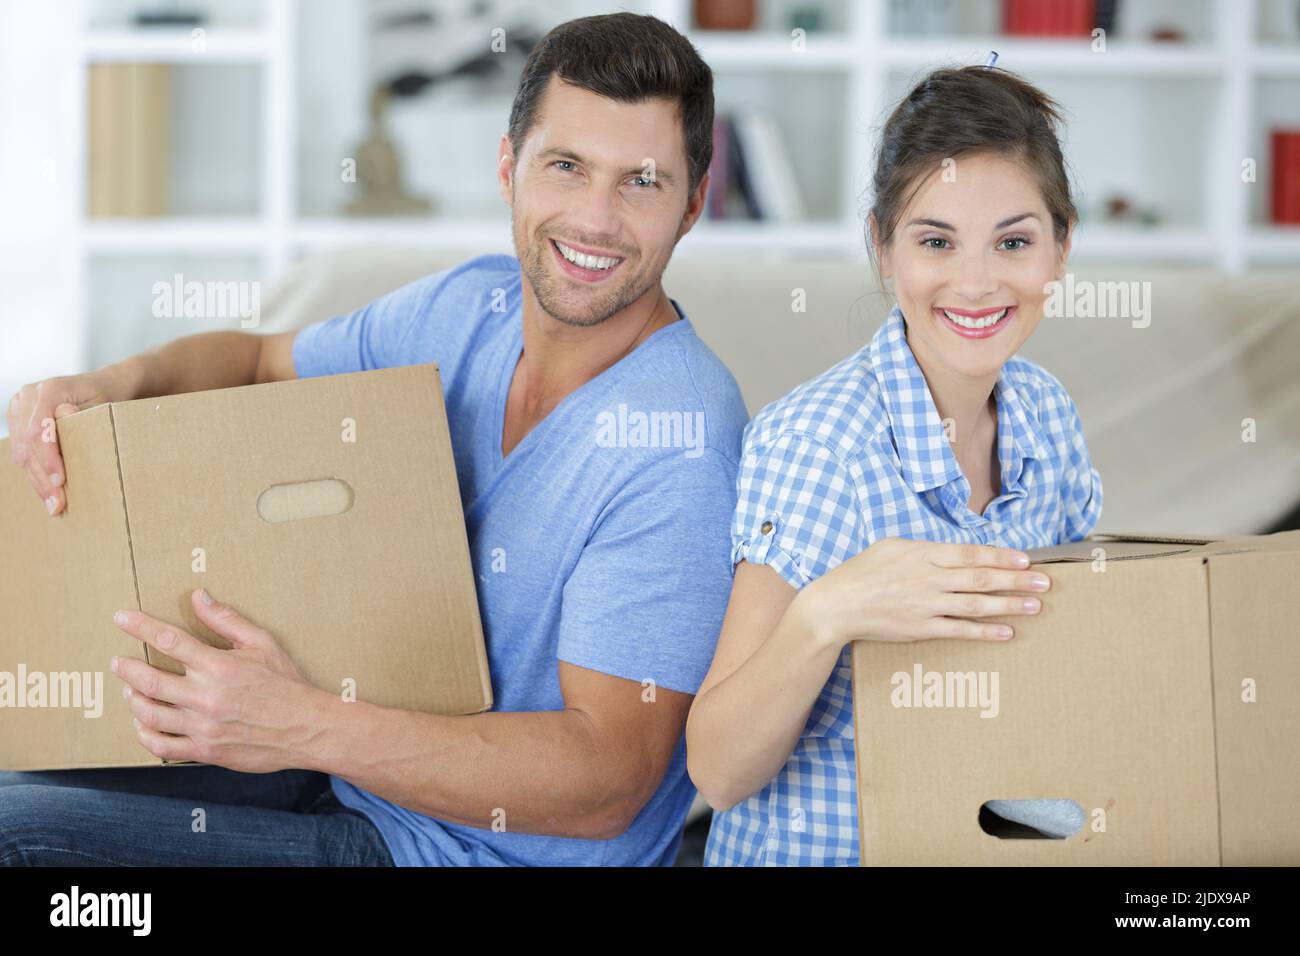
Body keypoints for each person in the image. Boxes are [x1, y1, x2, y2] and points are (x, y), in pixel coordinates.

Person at [1, 13, 748, 867]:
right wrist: (111, 385)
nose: (594, 218)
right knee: (18, 779)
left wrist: (297, 722)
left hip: (464, 854)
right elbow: (253, 358)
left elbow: (608, 781)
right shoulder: (472, 308)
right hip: (349, 774)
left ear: (692, 204)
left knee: (17, 844)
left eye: (640, 183)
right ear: (509, 168)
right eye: (566, 166)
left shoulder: (681, 443)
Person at [685, 64, 1103, 866]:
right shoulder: (821, 446)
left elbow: (1069, 675)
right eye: (935, 241)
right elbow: (719, 769)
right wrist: (828, 614)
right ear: (882, 247)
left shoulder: (1047, 416)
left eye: (1013, 242)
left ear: (1061, 248)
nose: (975, 282)